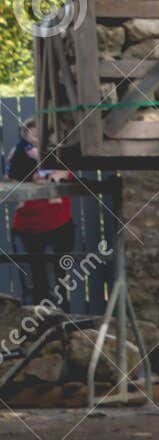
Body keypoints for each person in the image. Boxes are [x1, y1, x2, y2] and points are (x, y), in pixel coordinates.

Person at [6, 119, 74, 306]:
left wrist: (41, 162)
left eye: (41, 135)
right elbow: (11, 179)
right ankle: (32, 331)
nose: (37, 139)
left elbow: (59, 177)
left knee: (54, 285)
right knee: (29, 286)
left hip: (55, 227)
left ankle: (59, 330)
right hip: (24, 227)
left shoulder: (60, 156)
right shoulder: (19, 153)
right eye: (33, 135)